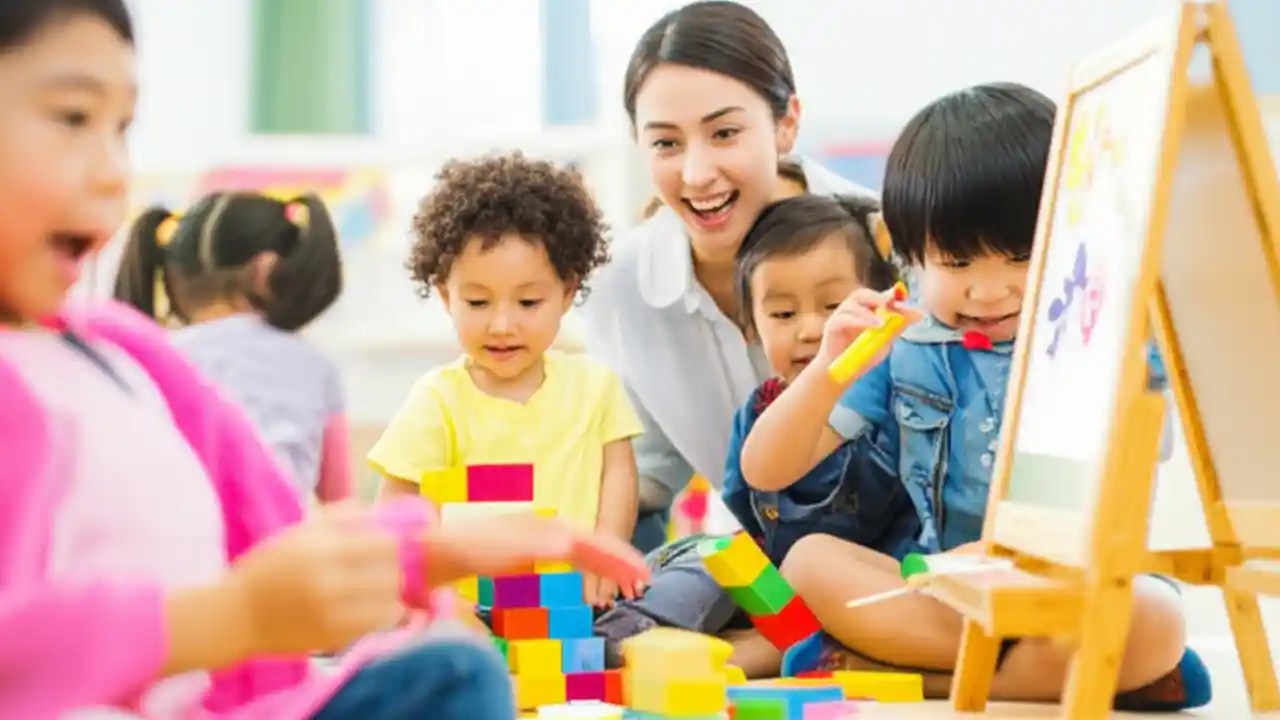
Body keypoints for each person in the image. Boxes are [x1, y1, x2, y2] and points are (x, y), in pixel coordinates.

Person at [0, 3, 650, 717]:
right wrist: (235, 616)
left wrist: (431, 556)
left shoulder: (126, 354)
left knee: (453, 676)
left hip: (231, 699)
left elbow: (282, 526)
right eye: (71, 118)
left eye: (122, 128)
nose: (112, 173)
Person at [741, 83, 1210, 711]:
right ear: (911, 256)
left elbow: (1126, 492)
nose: (987, 293)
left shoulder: (1109, 338)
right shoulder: (904, 343)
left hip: (1064, 595)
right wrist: (828, 365)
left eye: (1019, 256)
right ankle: (1037, 678)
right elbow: (763, 469)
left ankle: (909, 675)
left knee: (1156, 618)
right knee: (806, 561)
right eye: (958, 264)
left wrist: (1013, 553)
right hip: (946, 598)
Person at [583, 0, 878, 552]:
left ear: (786, 123)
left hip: (899, 556)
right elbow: (645, 473)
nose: (696, 174)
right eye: (666, 143)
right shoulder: (621, 287)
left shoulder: (884, 241)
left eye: (724, 133)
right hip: (761, 562)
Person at [594, 193, 920, 676]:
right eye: (783, 315)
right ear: (750, 328)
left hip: (853, 587)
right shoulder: (761, 409)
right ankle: (628, 631)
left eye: (833, 306)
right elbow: (746, 503)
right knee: (688, 562)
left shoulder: (893, 398)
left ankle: (754, 650)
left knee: (788, 634)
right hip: (766, 582)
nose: (811, 330)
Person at [371, 153, 645, 607]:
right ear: (445, 296)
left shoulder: (594, 385)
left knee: (664, 598)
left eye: (528, 302)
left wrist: (607, 549)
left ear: (567, 293)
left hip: (574, 601)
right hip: (472, 602)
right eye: (478, 303)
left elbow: (618, 473)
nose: (502, 325)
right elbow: (397, 506)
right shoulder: (438, 399)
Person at [114, 191, 350, 504]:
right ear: (267, 271)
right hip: (282, 547)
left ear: (170, 273)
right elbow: (339, 500)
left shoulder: (153, 361)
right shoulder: (315, 365)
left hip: (180, 542)